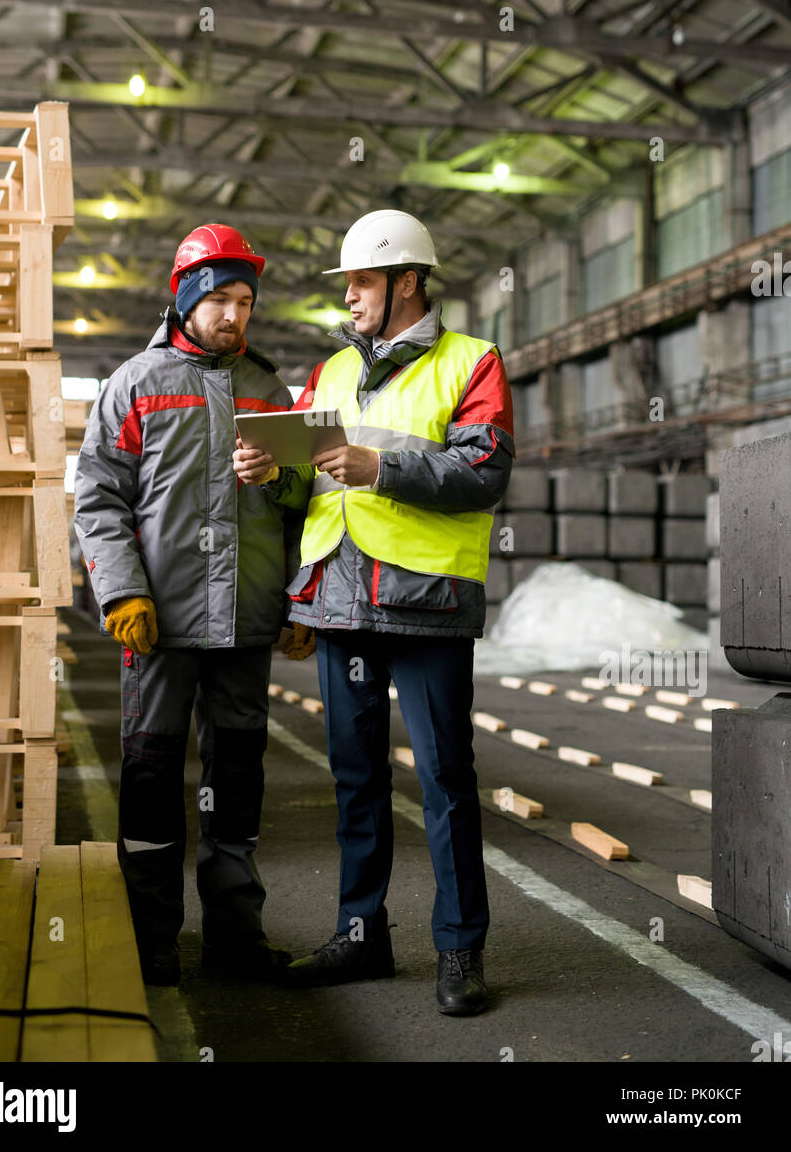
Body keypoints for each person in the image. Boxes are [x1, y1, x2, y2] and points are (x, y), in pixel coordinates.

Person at [233, 209, 515, 1016]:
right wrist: (270, 474)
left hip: (425, 602)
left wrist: (380, 467)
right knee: (355, 780)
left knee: (445, 781)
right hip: (340, 599)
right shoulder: (326, 373)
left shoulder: (473, 362)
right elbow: (311, 483)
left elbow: (483, 469)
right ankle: (362, 933)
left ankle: (460, 948)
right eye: (348, 284)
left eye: (361, 281)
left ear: (407, 282)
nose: (349, 296)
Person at [74, 224, 312, 985]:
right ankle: (150, 941)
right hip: (161, 625)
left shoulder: (270, 389)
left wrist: (280, 479)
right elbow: (99, 499)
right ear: (184, 296)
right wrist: (122, 591)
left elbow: (310, 500)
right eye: (219, 299)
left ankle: (235, 939)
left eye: (244, 300)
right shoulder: (134, 385)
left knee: (236, 778)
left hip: (244, 622)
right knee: (150, 779)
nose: (233, 315)